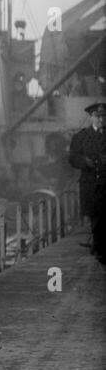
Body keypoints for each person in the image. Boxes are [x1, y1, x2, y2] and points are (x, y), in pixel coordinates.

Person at [68, 102, 106, 263]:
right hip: (91, 185)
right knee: (96, 218)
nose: (101, 120)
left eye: (104, 116)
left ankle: (101, 248)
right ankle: (99, 249)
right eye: (98, 117)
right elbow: (72, 158)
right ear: (91, 117)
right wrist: (85, 161)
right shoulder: (81, 137)